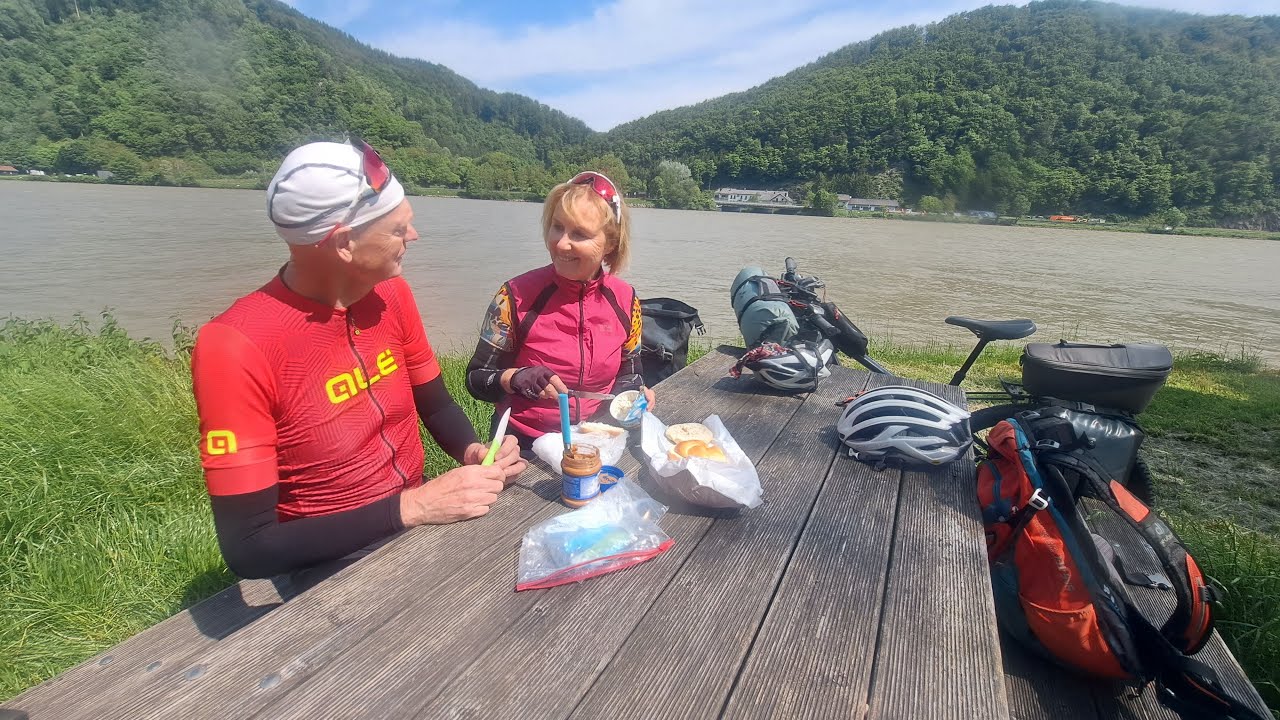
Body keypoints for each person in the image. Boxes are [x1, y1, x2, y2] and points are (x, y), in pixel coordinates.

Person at [190, 138, 526, 583]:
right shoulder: (234, 346)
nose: (414, 236)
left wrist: (472, 451)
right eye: (397, 229)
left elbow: (437, 404)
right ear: (344, 243)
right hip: (329, 565)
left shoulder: (391, 295)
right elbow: (250, 548)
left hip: (416, 526)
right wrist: (415, 506)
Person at [465, 171, 655, 448]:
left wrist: (635, 395)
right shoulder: (514, 296)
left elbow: (630, 372)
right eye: (557, 227)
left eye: (579, 233)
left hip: (595, 437)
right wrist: (516, 378)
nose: (561, 243)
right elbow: (475, 379)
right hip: (522, 442)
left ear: (610, 244)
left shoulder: (626, 300)